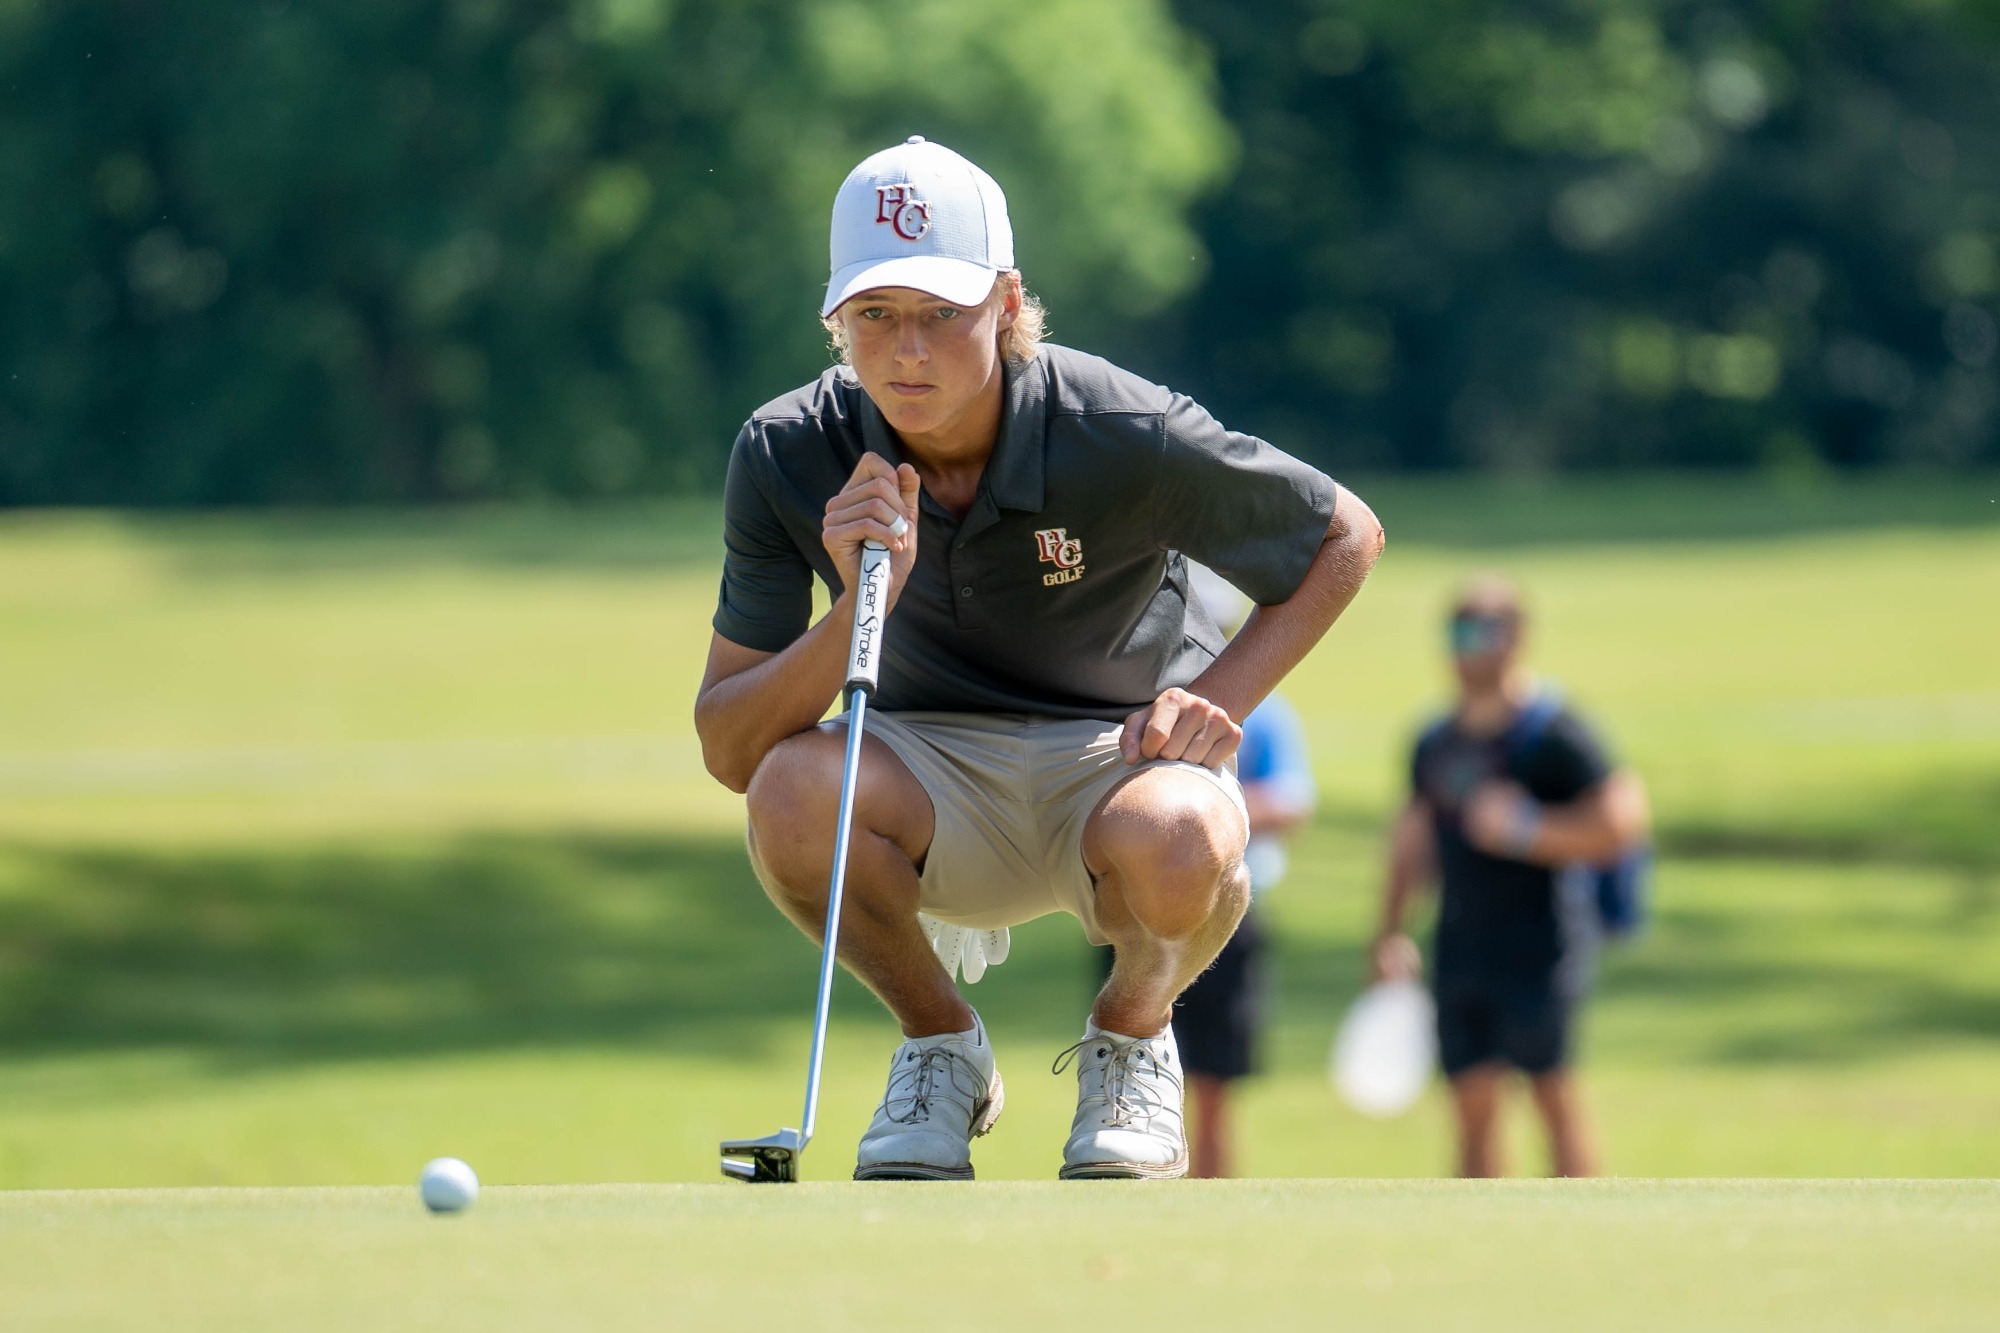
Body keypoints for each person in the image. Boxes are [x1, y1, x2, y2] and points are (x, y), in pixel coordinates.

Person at [694, 136, 1384, 1181]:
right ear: (833, 319)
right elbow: (730, 746)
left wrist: (1213, 697)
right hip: (919, 773)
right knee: (790, 794)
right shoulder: (788, 447)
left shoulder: (1115, 425)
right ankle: (940, 1047)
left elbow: (1345, 536)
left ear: (1008, 303)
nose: (906, 352)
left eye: (941, 313)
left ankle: (1128, 1037)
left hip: (1113, 762)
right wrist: (852, 604)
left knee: (1185, 830)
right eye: (874, 316)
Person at [1371, 575, 1649, 1178]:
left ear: (1518, 638)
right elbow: (1411, 841)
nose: (1471, 646)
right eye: (1459, 631)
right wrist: (1391, 932)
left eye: (1486, 631)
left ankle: (1587, 1233)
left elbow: (1624, 822)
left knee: (1553, 1097)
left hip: (1541, 944)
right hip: (1460, 944)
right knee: (1471, 1105)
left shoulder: (1556, 733)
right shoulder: (1434, 742)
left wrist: (1529, 831)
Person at [1094, 566, 1317, 1179]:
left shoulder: (1260, 710)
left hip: (1227, 915)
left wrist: (1204, 822)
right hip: (1133, 912)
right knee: (1124, 1069)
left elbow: (1291, 799)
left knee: (1211, 1087)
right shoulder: (1136, 706)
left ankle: (1203, 1192)